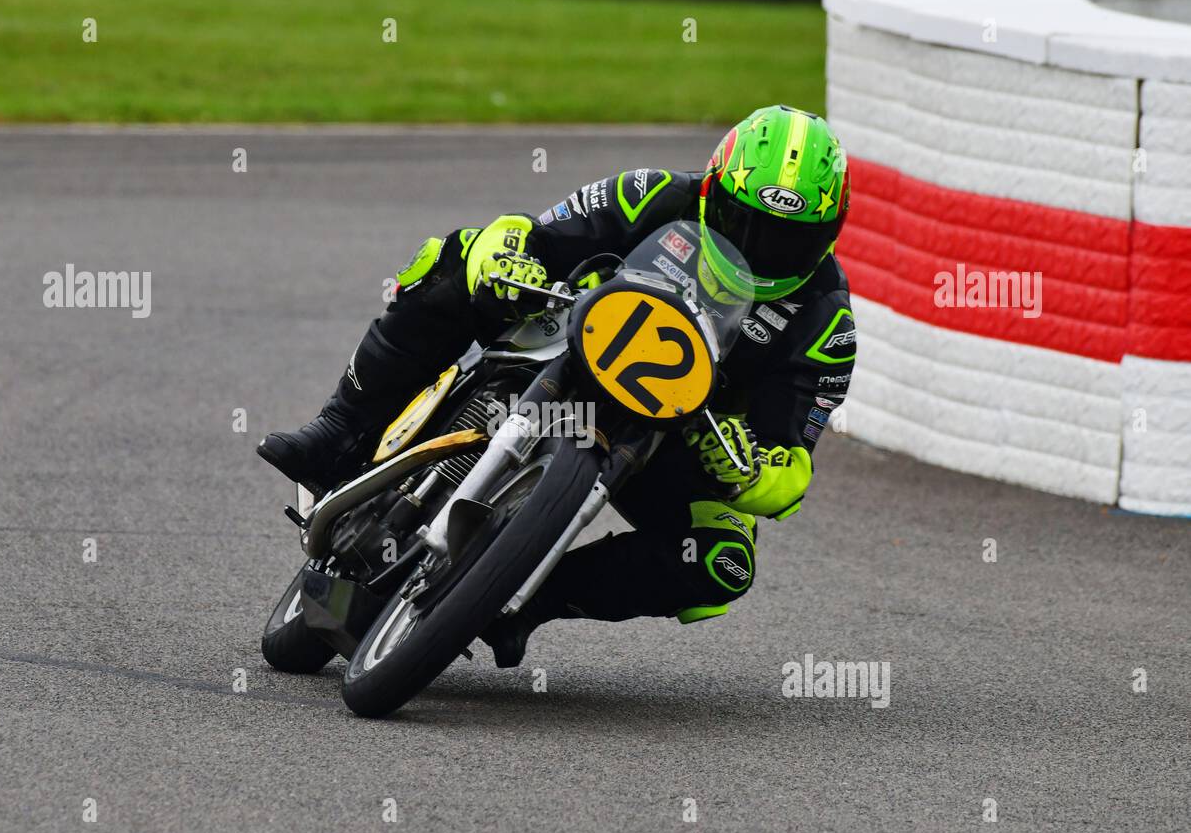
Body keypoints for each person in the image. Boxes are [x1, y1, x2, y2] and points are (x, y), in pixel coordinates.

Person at [259, 105, 856, 667]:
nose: (758, 250)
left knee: (723, 561)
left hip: (680, 433)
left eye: (787, 239)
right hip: (570, 331)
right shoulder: (649, 192)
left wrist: (750, 472)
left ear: (827, 233)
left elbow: (792, 466)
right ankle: (336, 431)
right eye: (746, 224)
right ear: (713, 191)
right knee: (461, 255)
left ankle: (528, 599)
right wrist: (512, 258)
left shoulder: (827, 323)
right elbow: (530, 232)